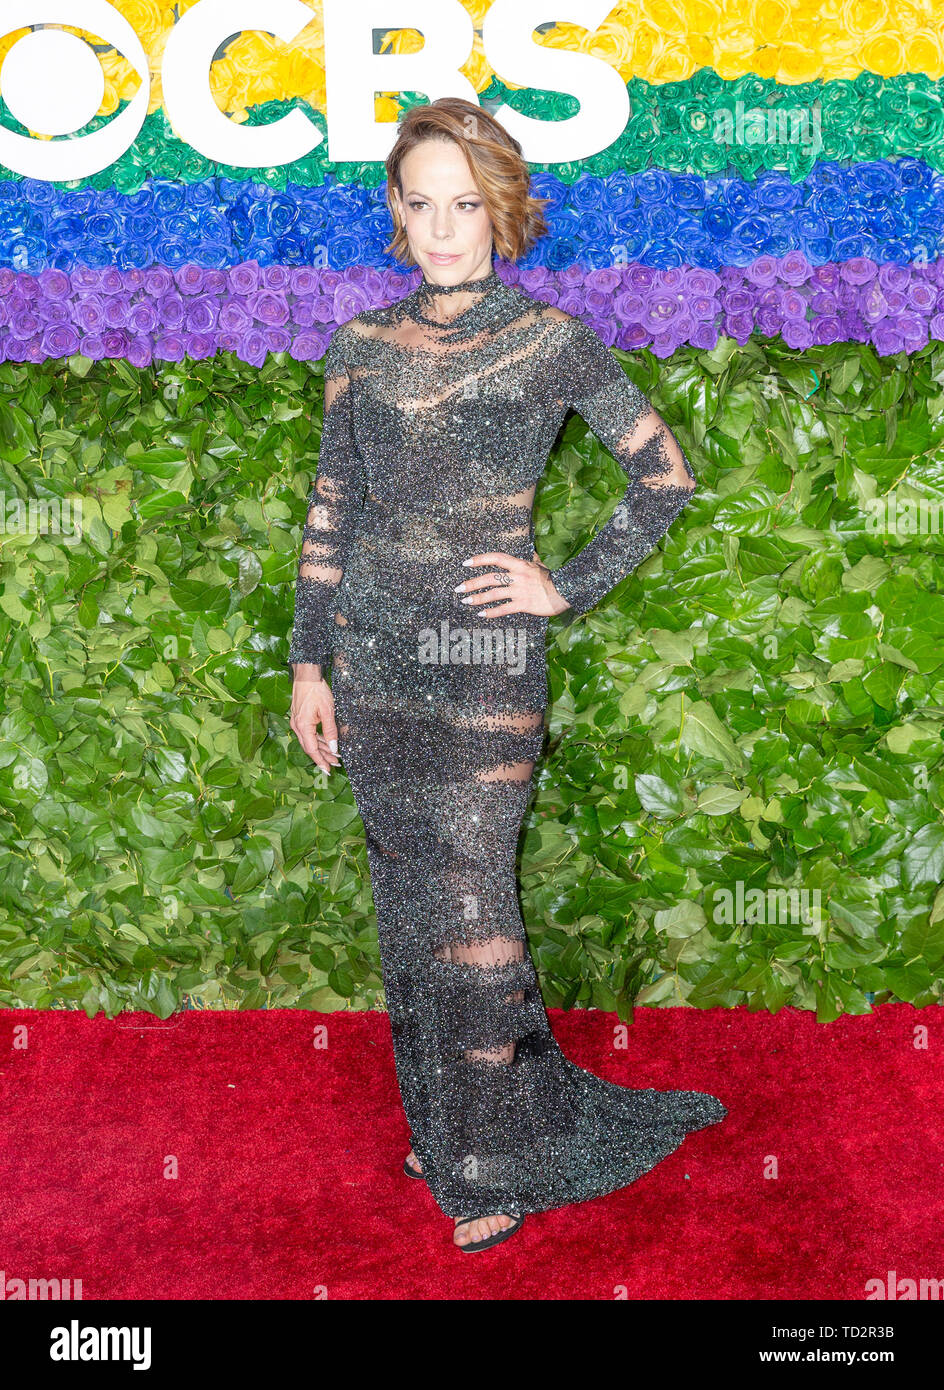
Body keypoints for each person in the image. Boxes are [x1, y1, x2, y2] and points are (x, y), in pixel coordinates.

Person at [288, 97, 726, 1253]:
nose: (441, 229)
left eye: (464, 204)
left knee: (474, 909)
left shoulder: (550, 341)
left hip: (486, 670)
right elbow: (331, 513)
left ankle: (493, 1159)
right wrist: (306, 663)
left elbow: (663, 477)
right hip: (374, 665)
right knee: (408, 909)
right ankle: (444, 1130)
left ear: (502, 209)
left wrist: (562, 584)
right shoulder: (359, 348)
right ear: (397, 211)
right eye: (419, 203)